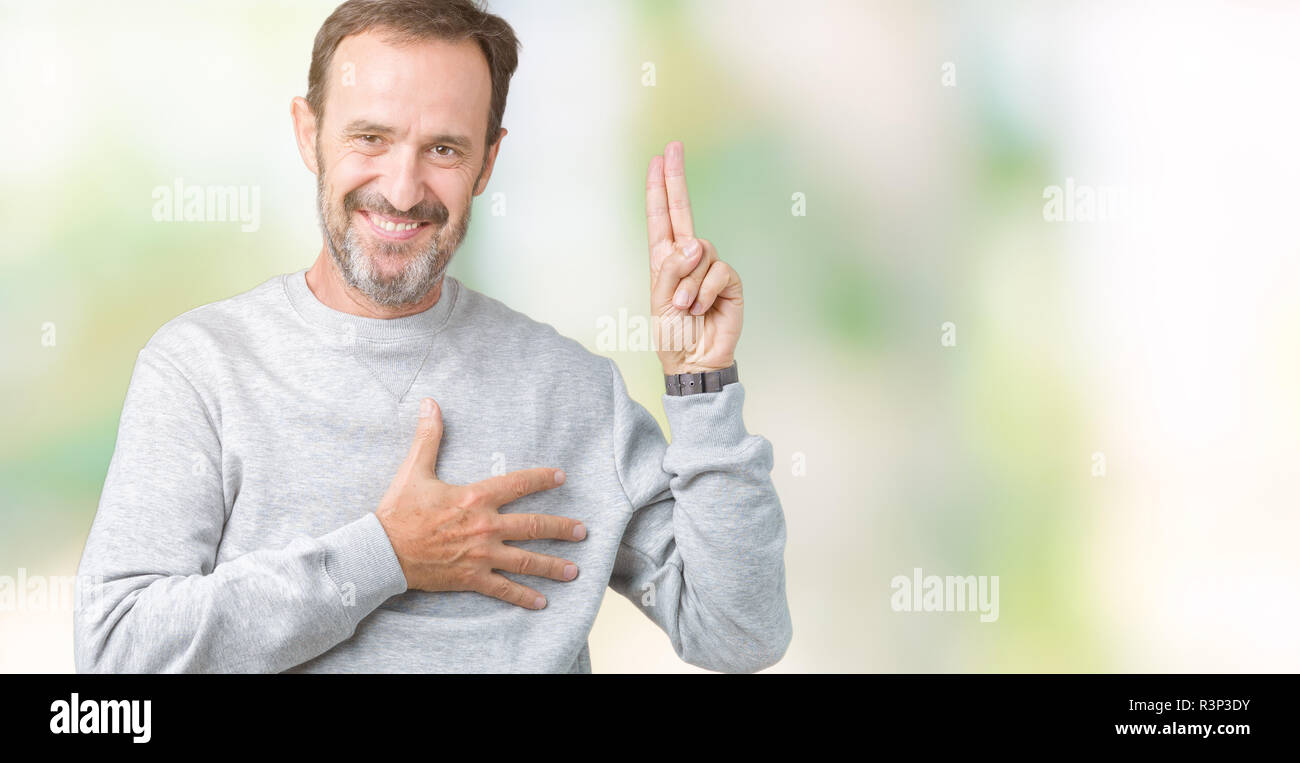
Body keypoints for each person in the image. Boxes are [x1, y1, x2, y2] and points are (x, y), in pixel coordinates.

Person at [74, 0, 791, 673]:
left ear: (487, 161)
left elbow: (739, 631)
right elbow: (117, 649)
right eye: (370, 137)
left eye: (444, 149)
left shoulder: (573, 391)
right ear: (308, 132)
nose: (403, 187)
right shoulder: (202, 369)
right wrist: (385, 553)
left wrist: (702, 388)